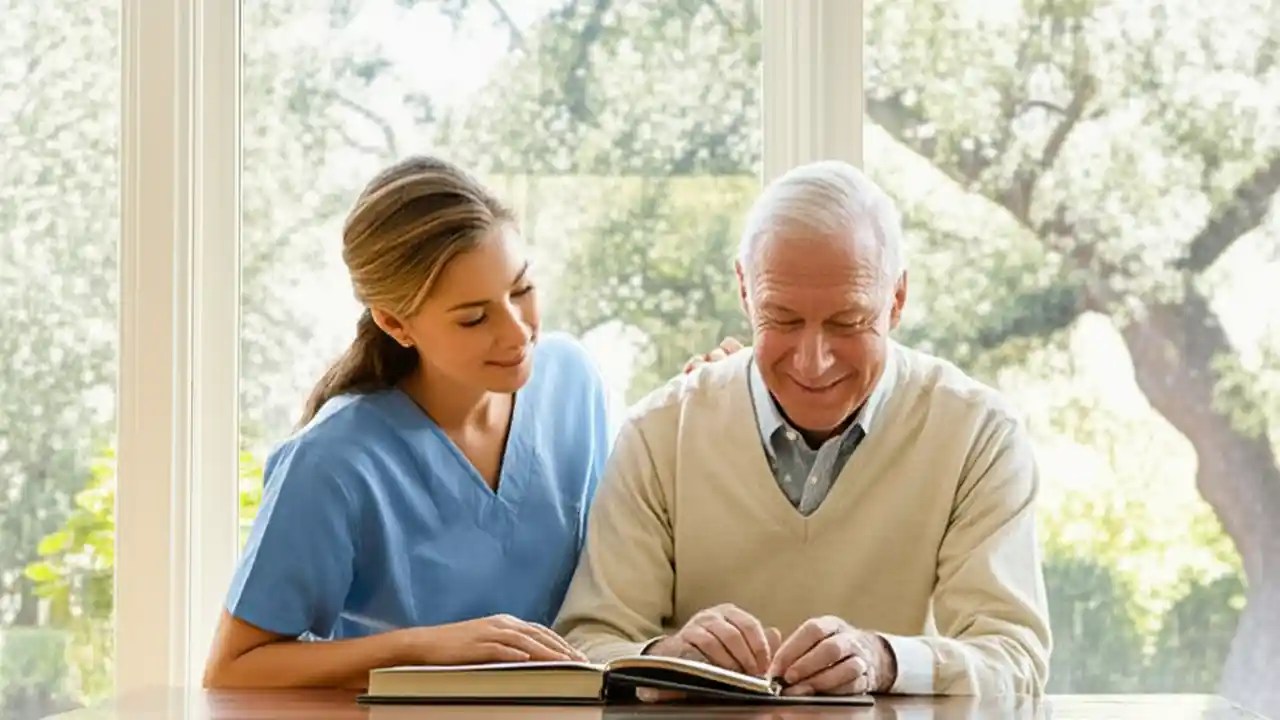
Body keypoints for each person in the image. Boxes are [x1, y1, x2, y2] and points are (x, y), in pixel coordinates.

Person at [203, 155, 732, 689]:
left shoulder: (571, 381)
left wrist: (708, 407)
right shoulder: (333, 461)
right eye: (475, 318)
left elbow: (630, 544)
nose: (516, 332)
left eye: (522, 290)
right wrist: (424, 648)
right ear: (394, 322)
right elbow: (233, 670)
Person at [554, 160, 1052, 699]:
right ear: (745, 292)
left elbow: (1013, 658)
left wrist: (884, 660)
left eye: (848, 322)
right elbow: (589, 643)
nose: (813, 362)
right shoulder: (659, 433)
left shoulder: (978, 435)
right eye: (783, 320)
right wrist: (662, 660)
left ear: (897, 300)